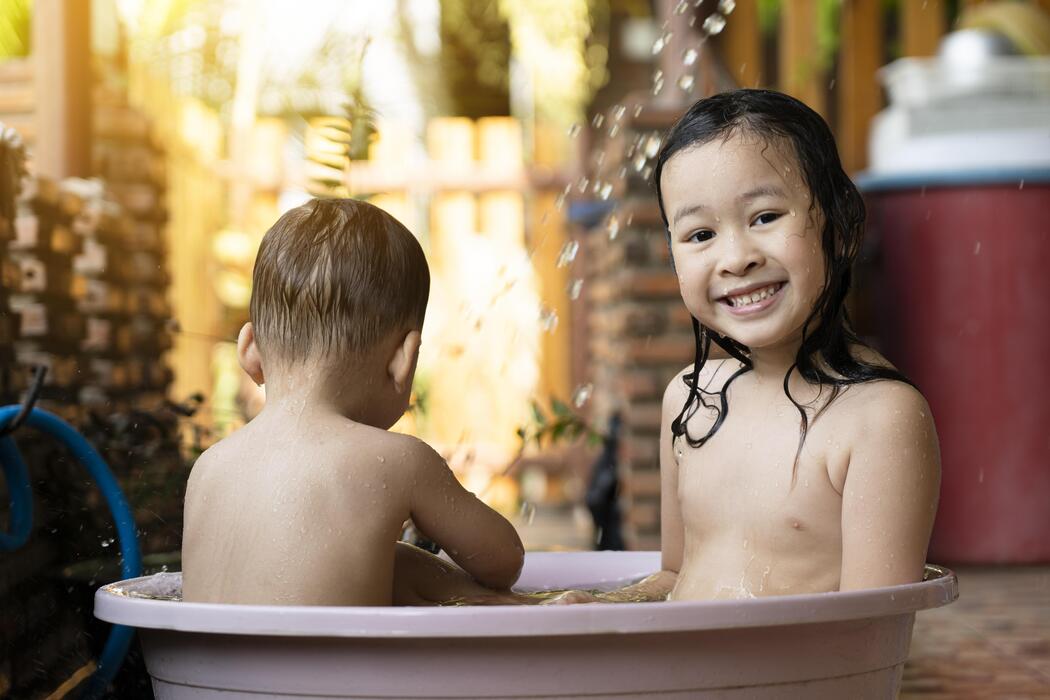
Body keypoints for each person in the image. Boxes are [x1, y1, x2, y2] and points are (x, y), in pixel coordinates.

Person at [553, 89, 940, 603]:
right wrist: (598, 606)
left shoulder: (879, 419)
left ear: (840, 223)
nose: (735, 258)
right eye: (700, 234)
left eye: (764, 218)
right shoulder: (688, 400)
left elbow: (872, 629)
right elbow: (675, 577)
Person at [182, 198, 524, 605]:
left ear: (249, 350)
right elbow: (503, 562)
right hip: (335, 670)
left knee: (398, 565)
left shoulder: (209, 467)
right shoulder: (401, 460)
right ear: (404, 358)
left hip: (193, 668)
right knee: (418, 570)